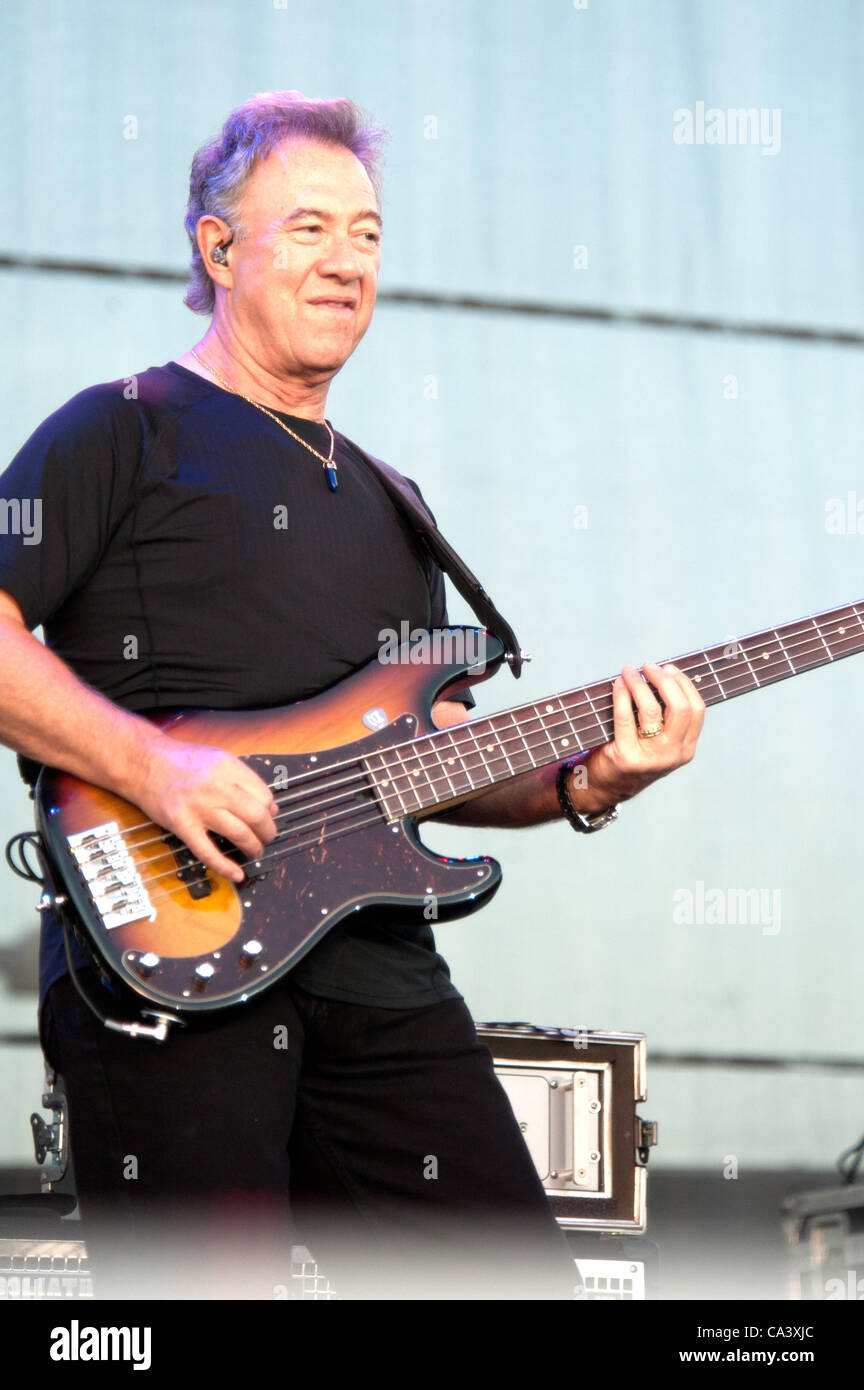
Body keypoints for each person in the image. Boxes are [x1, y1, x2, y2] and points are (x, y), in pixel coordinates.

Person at [0, 92, 704, 1300]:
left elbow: (426, 759)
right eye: (311, 227)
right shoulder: (121, 430)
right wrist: (154, 766)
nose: (348, 262)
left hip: (378, 971)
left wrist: (590, 779)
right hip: (174, 956)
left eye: (369, 233)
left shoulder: (396, 500)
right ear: (220, 249)